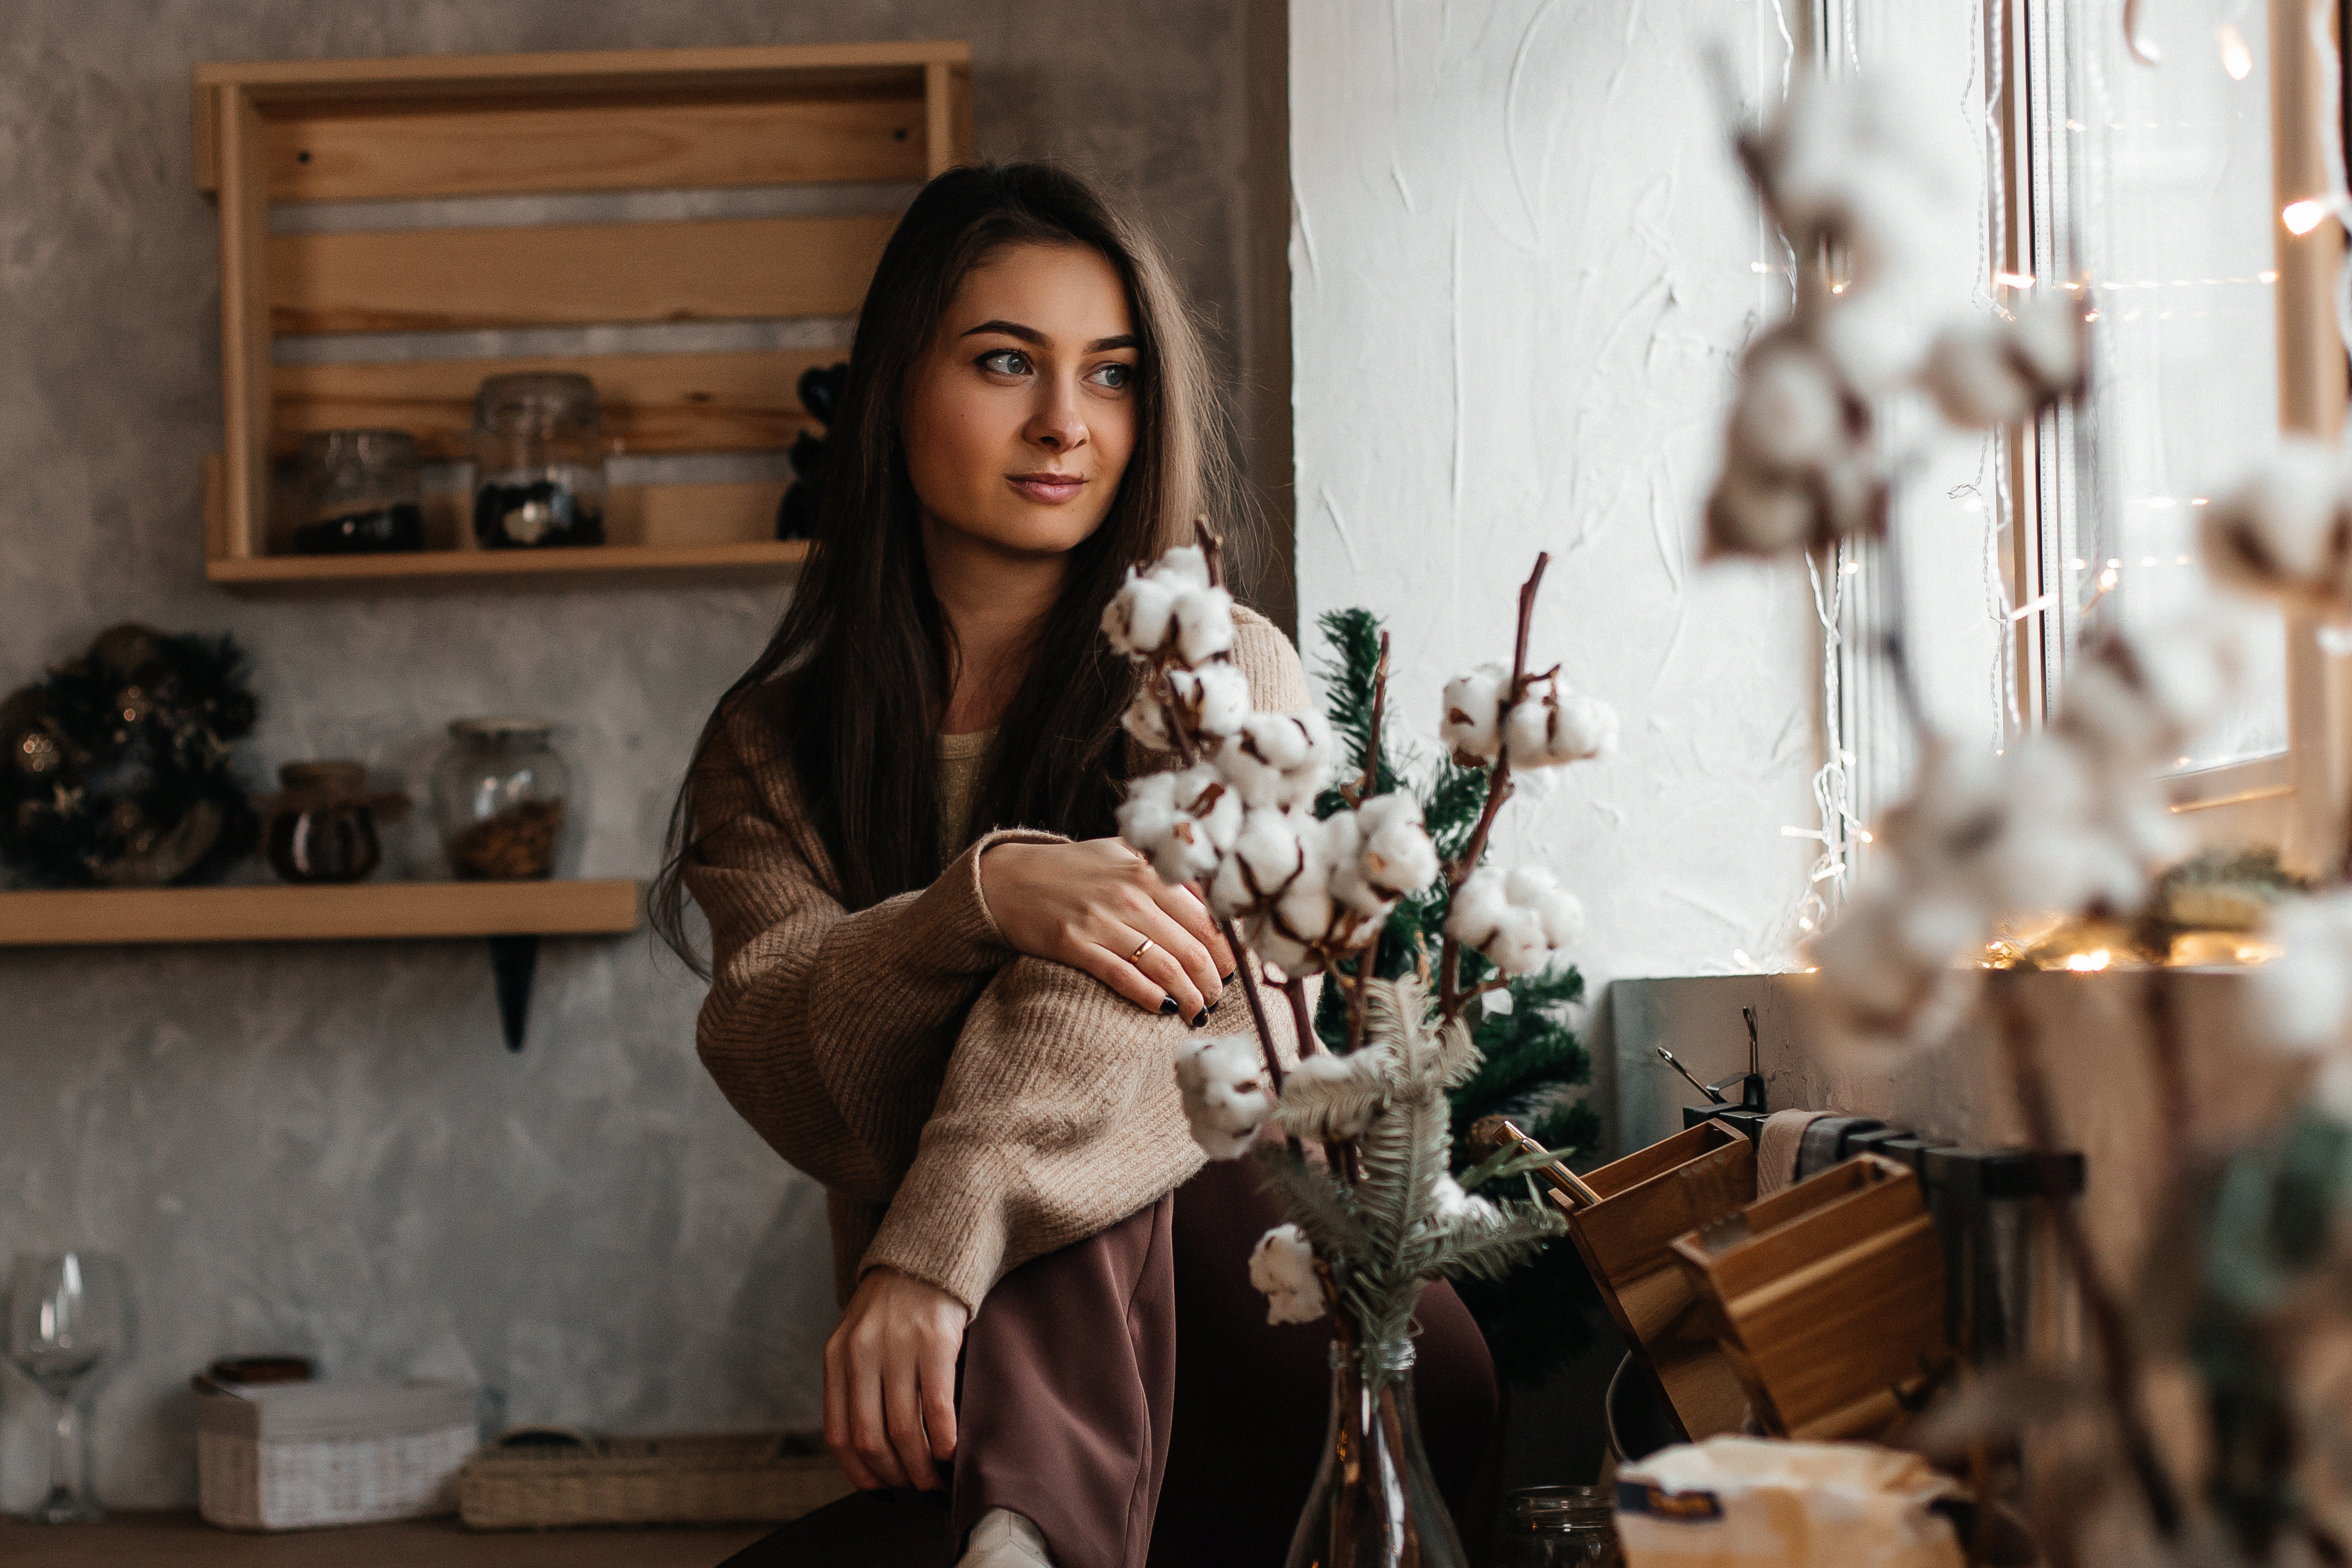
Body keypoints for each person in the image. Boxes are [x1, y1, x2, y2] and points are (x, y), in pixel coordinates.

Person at [653, 163, 1496, 1568]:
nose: (1064, 423)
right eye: (1004, 363)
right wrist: (971, 900)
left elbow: (1157, 1008)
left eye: (1110, 376)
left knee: (1122, 1034)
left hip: (1287, 1340)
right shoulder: (777, 740)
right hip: (964, 1394)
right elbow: (783, 1054)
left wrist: (938, 1230)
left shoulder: (1216, 666)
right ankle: (1011, 1528)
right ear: (888, 386)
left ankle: (1015, 1531)